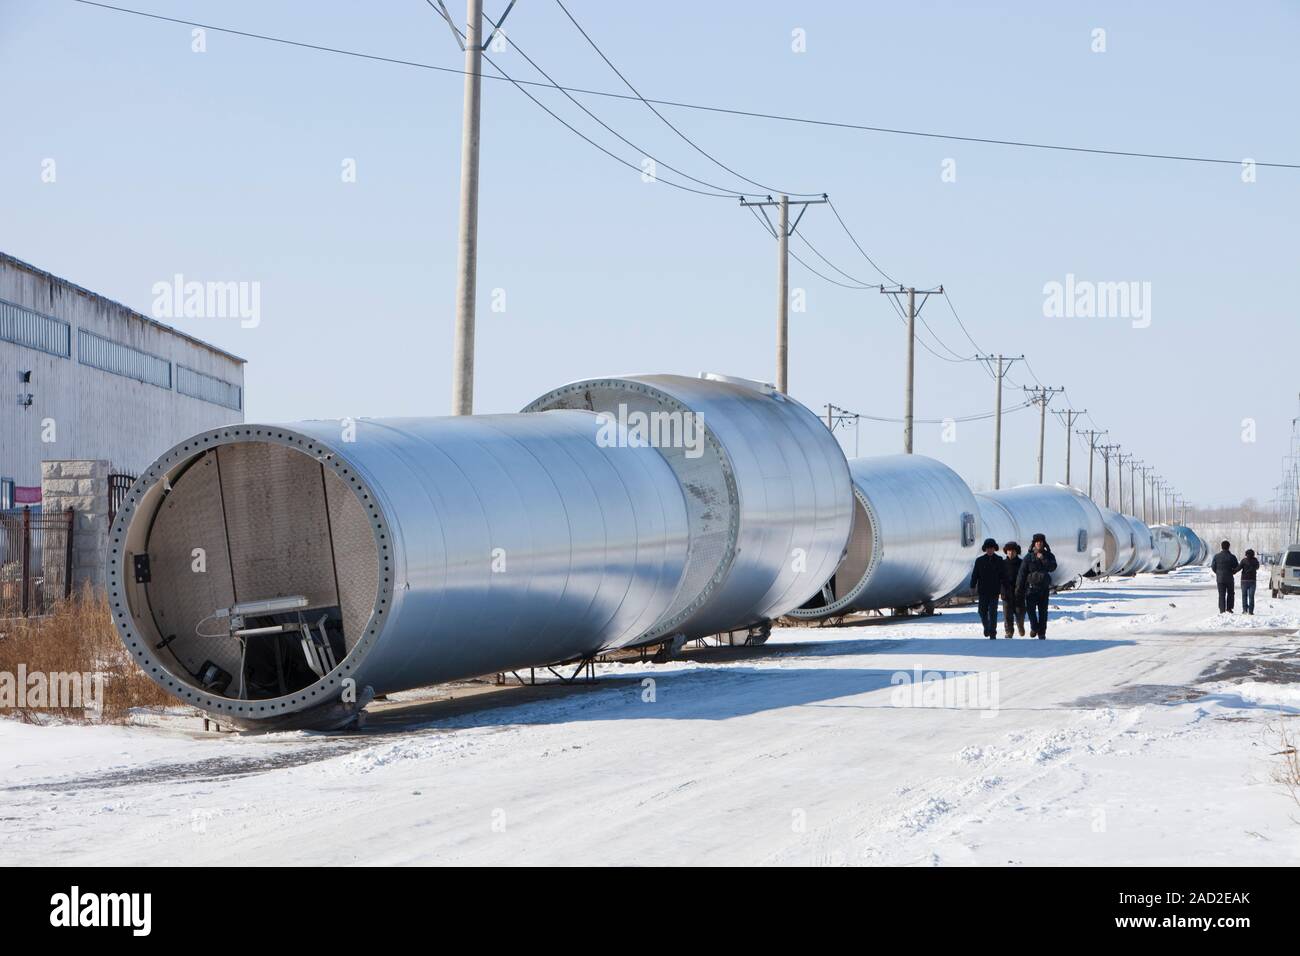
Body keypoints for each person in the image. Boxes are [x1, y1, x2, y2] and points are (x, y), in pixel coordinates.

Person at [1016, 533, 1058, 639]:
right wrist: (1019, 588)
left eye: (1041, 542)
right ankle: (1034, 627)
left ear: (1043, 544)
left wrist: (1043, 558)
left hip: (1044, 589)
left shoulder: (1048, 555)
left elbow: (1052, 567)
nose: (1039, 544)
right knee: (1031, 611)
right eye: (1037, 542)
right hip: (1031, 589)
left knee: (1043, 612)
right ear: (1034, 544)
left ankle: (1042, 633)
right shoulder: (1028, 557)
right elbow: (1022, 573)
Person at [969, 537, 1003, 639]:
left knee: (993, 611)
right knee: (982, 611)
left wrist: (1004, 588)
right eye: (988, 548)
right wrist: (972, 585)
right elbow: (975, 575)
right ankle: (986, 626)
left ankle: (993, 632)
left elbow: (1003, 576)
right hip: (983, 591)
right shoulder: (979, 561)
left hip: (994, 591)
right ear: (985, 549)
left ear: (994, 549)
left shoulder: (999, 560)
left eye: (992, 548)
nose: (990, 550)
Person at [1000, 541, 1026, 637]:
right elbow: (999, 578)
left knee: (1020, 612)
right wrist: (1001, 591)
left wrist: (1024, 589)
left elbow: (1025, 577)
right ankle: (1009, 631)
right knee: (1007, 614)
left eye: (1013, 551)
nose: (1011, 553)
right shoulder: (1002, 564)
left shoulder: (1021, 563)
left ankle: (1020, 625)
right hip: (1006, 592)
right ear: (1006, 552)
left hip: (1019, 592)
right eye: (1009, 551)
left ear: (1016, 552)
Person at [1210, 540, 1240, 613]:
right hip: (1229, 578)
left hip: (1220, 579)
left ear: (1221, 547)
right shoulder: (1232, 557)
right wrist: (1233, 572)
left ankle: (1222, 609)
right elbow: (1236, 566)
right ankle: (1229, 608)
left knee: (1221, 594)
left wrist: (1217, 573)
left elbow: (1213, 566)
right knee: (1230, 593)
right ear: (1229, 547)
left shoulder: (1216, 556)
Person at [1239, 548, 1259, 615]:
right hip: (1252, 580)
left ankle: (1244, 610)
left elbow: (1238, 568)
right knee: (1251, 596)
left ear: (1246, 554)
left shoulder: (1243, 560)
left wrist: (1232, 571)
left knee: (1244, 595)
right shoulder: (1255, 560)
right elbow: (1257, 567)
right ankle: (1250, 611)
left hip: (1244, 580)